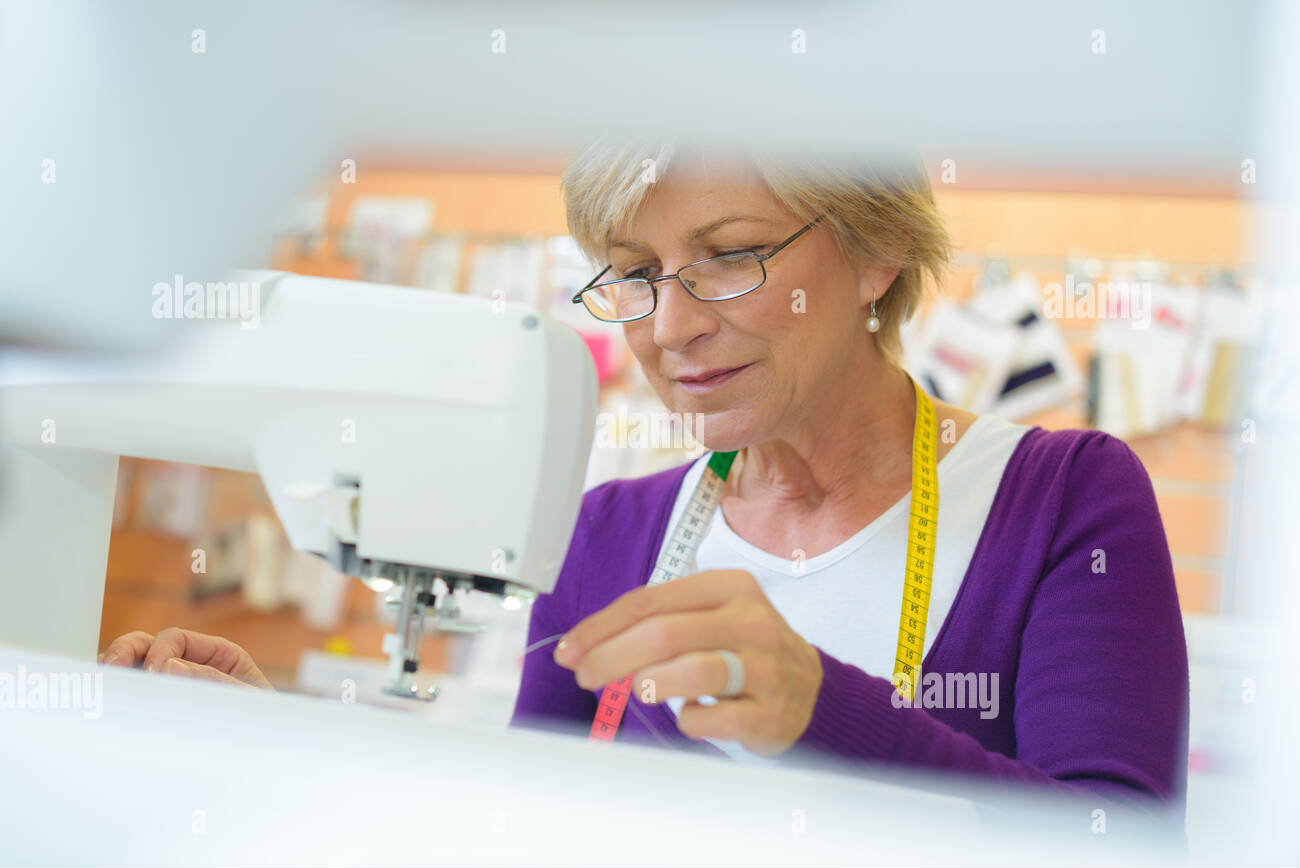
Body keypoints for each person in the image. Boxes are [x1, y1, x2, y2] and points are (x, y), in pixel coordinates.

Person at [103, 139, 1189, 820]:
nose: (668, 326)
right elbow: (521, 834)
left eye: (729, 255)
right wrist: (281, 745)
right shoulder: (607, 536)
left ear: (875, 252)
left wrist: (823, 714)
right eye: (632, 273)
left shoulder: (1062, 501)